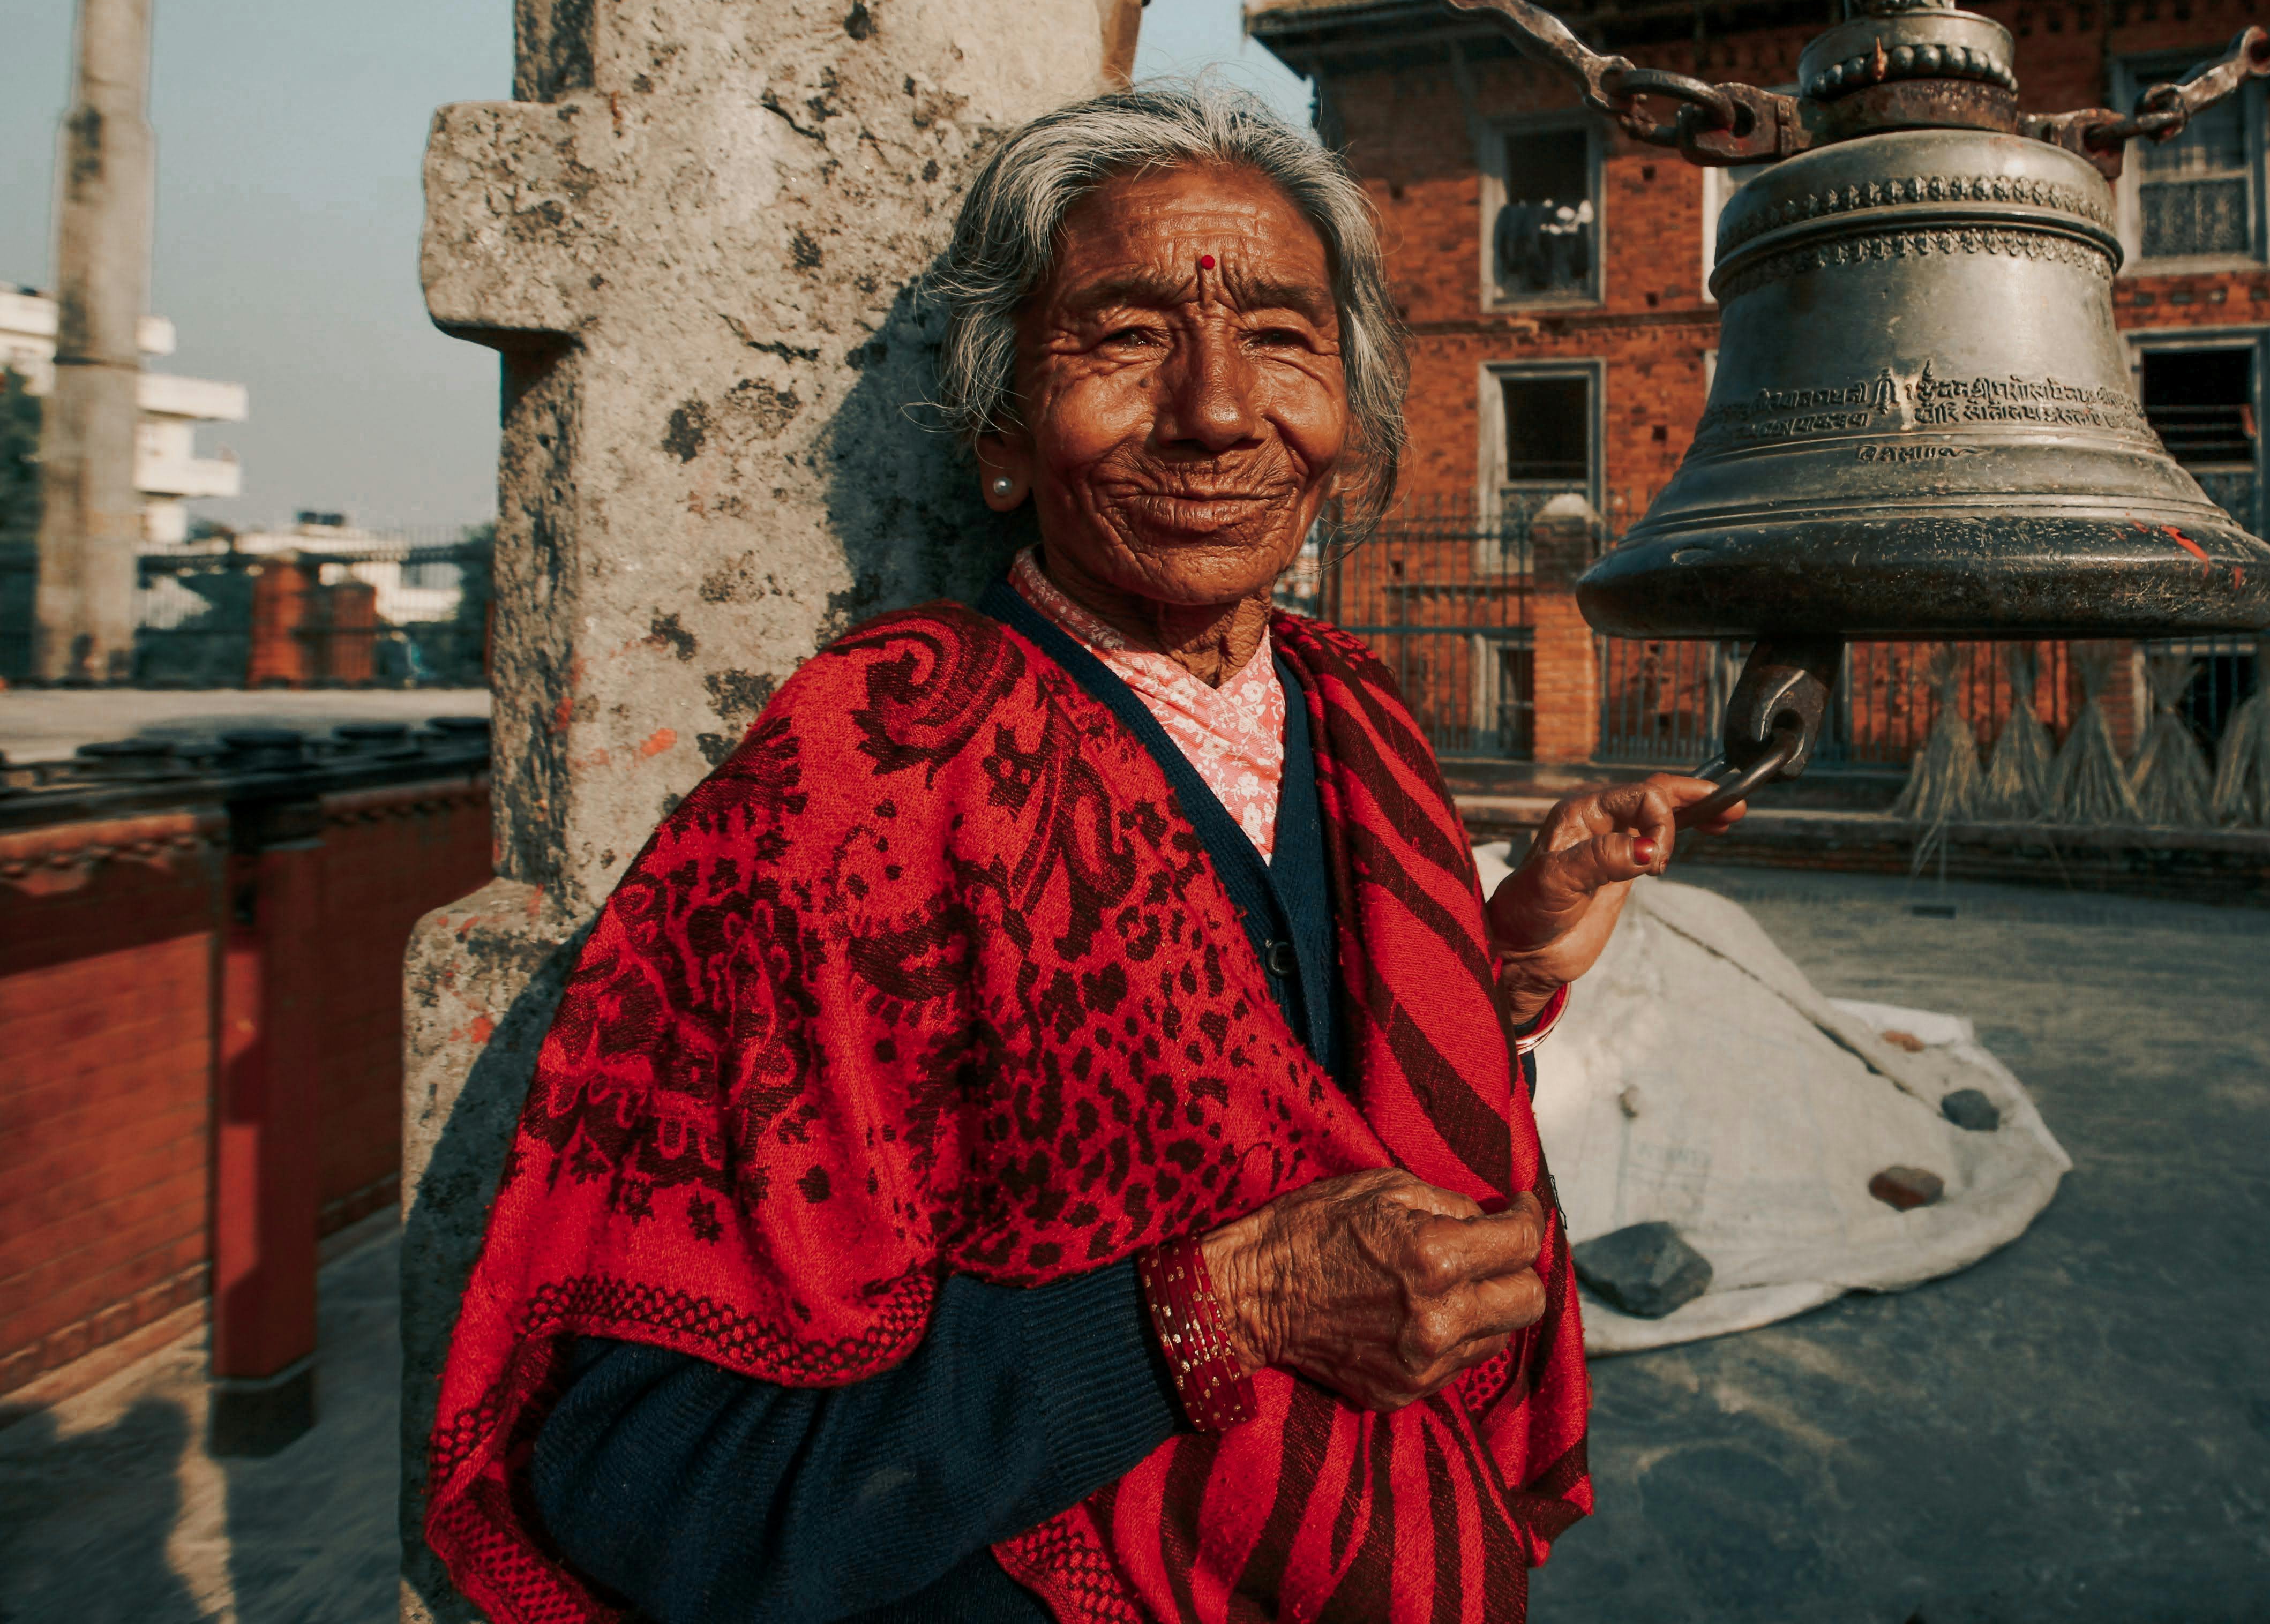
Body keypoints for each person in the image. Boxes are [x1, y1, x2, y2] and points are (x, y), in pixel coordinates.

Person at [423, 85, 1737, 1624]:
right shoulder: (878, 764)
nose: (1216, 409)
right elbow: (634, 1473)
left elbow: (1314, 1073)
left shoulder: (1357, 716)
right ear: (1000, 433)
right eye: (1123, 340)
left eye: (1283, 341)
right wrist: (1214, 1308)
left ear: (1353, 424)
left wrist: (1498, 960)